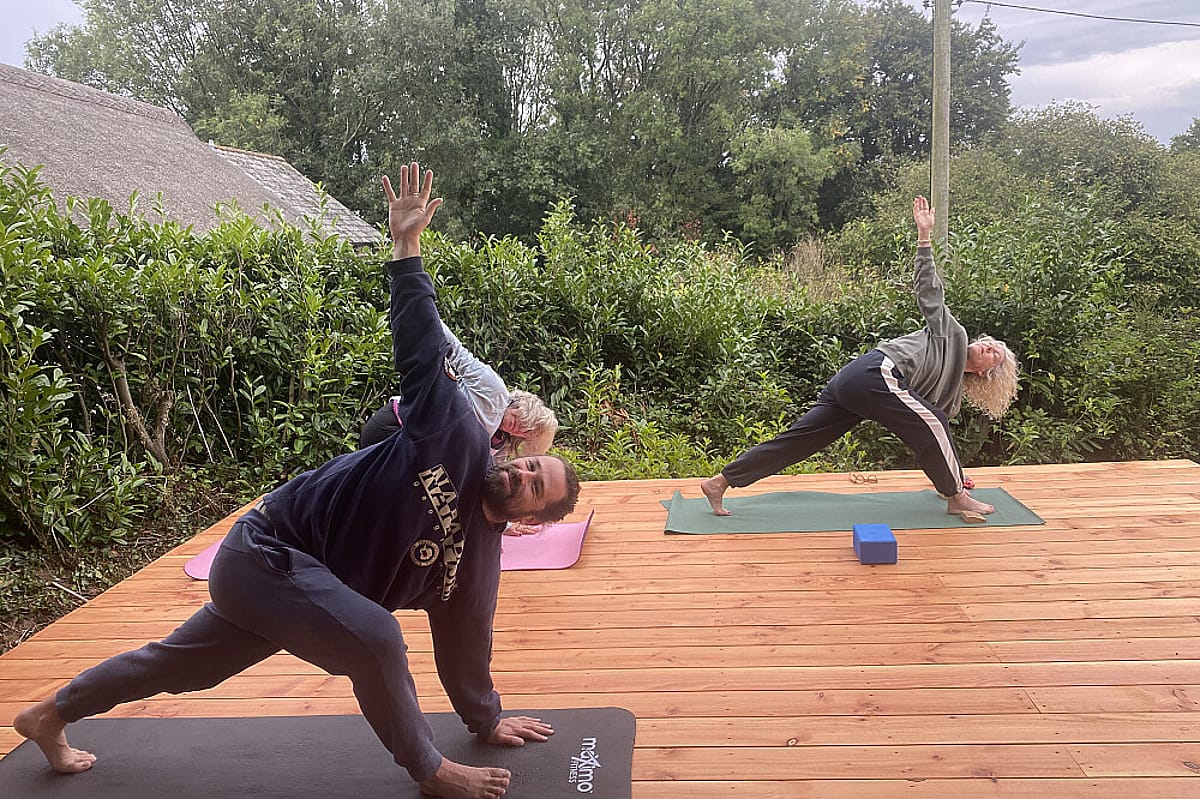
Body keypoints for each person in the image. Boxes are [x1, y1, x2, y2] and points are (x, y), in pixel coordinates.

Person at [14, 162, 582, 799]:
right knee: (376, 638)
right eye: (530, 464)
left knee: (177, 667)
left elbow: (465, 648)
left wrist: (486, 718)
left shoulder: (478, 566)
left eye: (538, 485)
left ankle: (49, 715)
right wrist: (406, 247)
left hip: (299, 592)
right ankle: (430, 772)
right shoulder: (454, 432)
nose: (524, 474)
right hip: (266, 552)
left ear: (533, 521)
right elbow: (422, 342)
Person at [700, 196, 1019, 519]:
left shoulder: (947, 396)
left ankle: (720, 482)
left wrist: (950, 476)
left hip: (857, 387)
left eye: (995, 354)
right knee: (933, 421)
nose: (988, 347)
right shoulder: (953, 334)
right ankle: (958, 499)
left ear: (985, 373)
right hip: (873, 373)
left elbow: (932, 437)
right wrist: (924, 237)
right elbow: (929, 293)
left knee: (799, 441)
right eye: (990, 343)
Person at [359, 325, 558, 461]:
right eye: (522, 419)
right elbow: (455, 350)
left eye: (525, 432)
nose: (519, 427)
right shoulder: (495, 390)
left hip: (418, 446)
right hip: (395, 426)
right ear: (521, 404)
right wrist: (421, 309)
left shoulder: (499, 446)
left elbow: (489, 479)